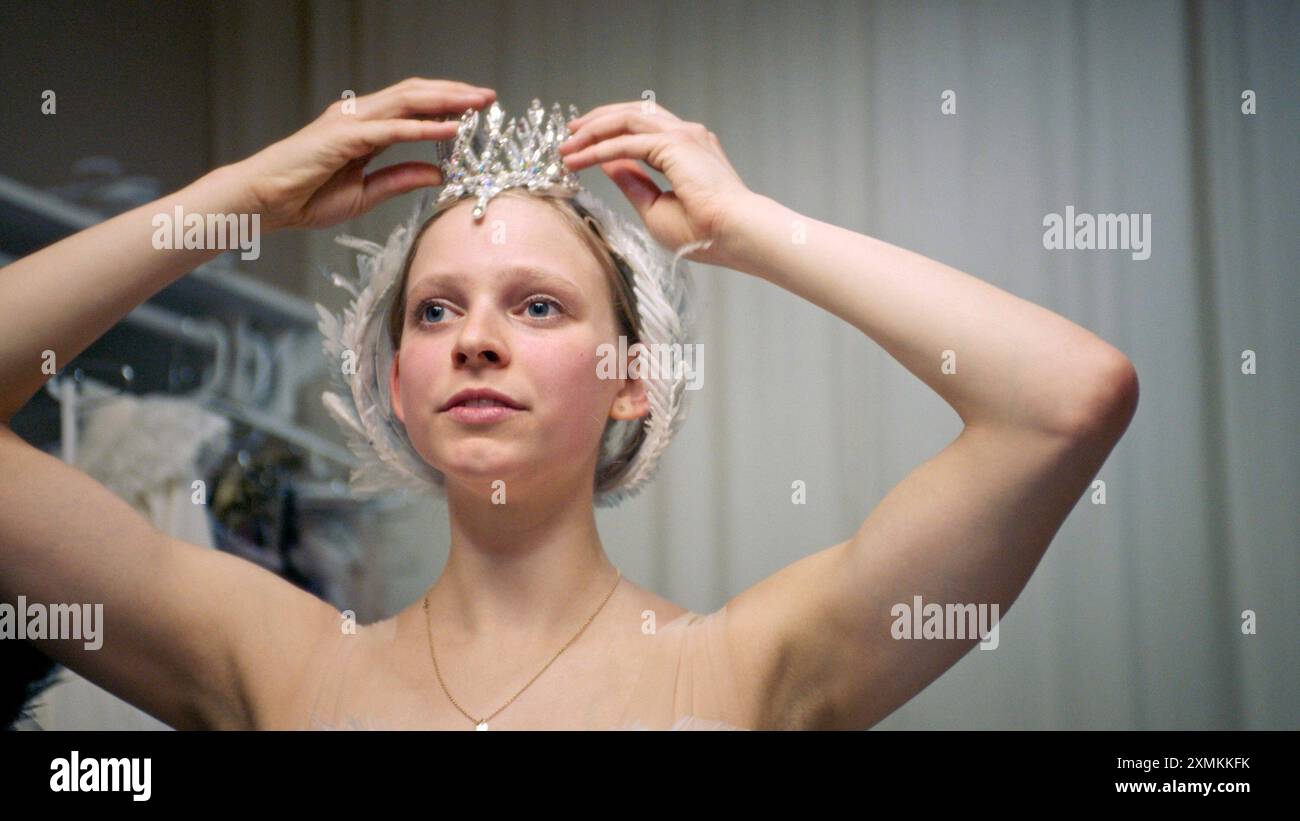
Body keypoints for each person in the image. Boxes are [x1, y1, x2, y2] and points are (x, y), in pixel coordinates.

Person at [0, 77, 1138, 731]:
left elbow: (1065, 398)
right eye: (435, 313)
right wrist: (234, 198)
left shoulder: (744, 670)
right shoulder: (280, 666)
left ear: (632, 376)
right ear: (393, 381)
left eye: (538, 307)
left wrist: (747, 228)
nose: (477, 337)